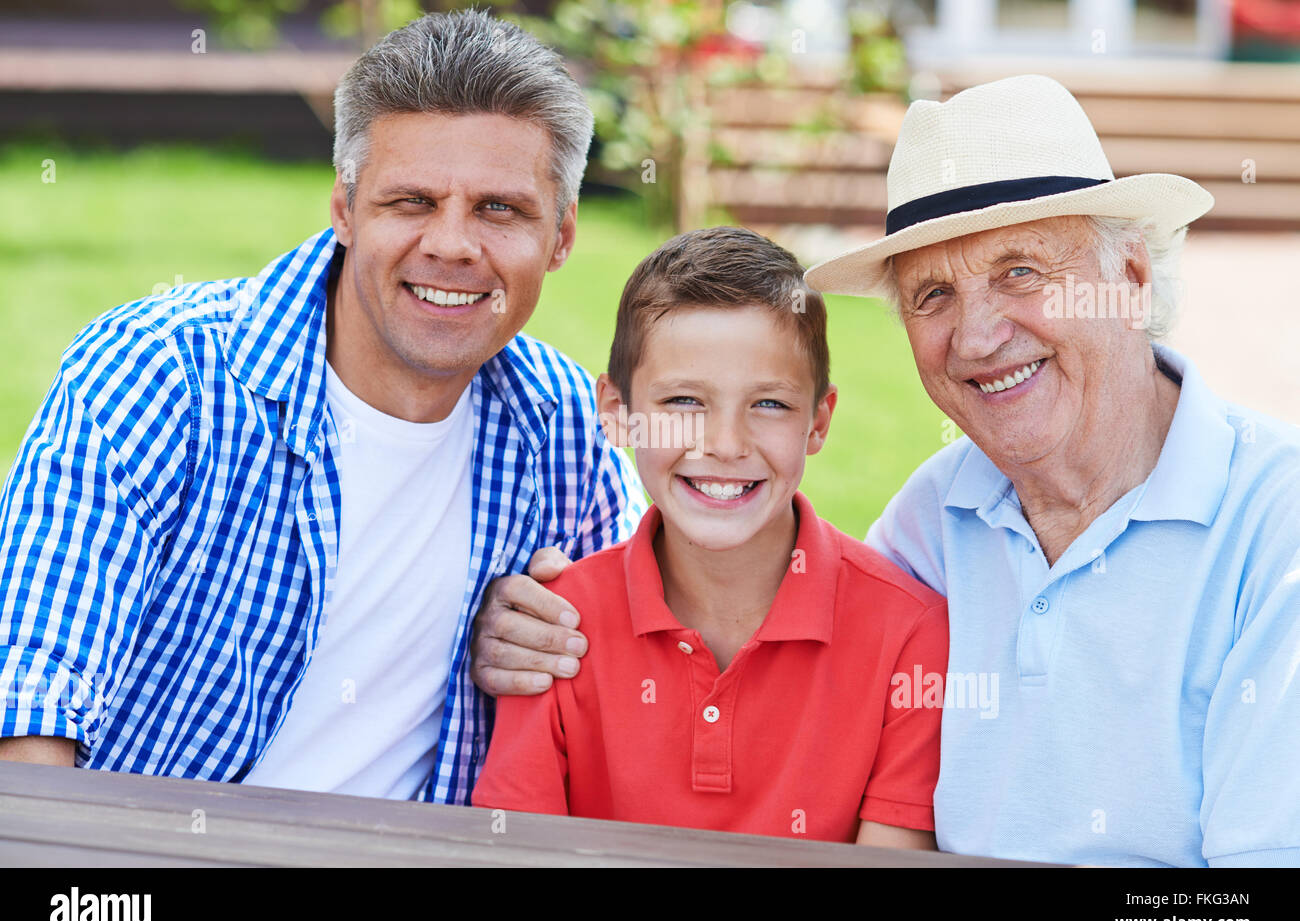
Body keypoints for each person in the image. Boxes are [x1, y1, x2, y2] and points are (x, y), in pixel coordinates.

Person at [470, 75, 1300, 865]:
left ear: (1130, 277)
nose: (976, 338)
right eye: (933, 294)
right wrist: (534, 617)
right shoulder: (933, 523)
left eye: (1020, 270)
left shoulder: (1275, 525)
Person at [0, 10, 645, 806]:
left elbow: (658, 687)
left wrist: (545, 649)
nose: (451, 245)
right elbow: (30, 696)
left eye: (499, 209)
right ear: (343, 209)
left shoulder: (568, 434)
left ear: (562, 236)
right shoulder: (163, 372)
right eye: (411, 201)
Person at [470, 227, 948, 846]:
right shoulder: (557, 627)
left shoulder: (909, 634)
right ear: (617, 413)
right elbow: (519, 852)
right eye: (683, 400)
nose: (724, 443)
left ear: (818, 421)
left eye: (769, 404)